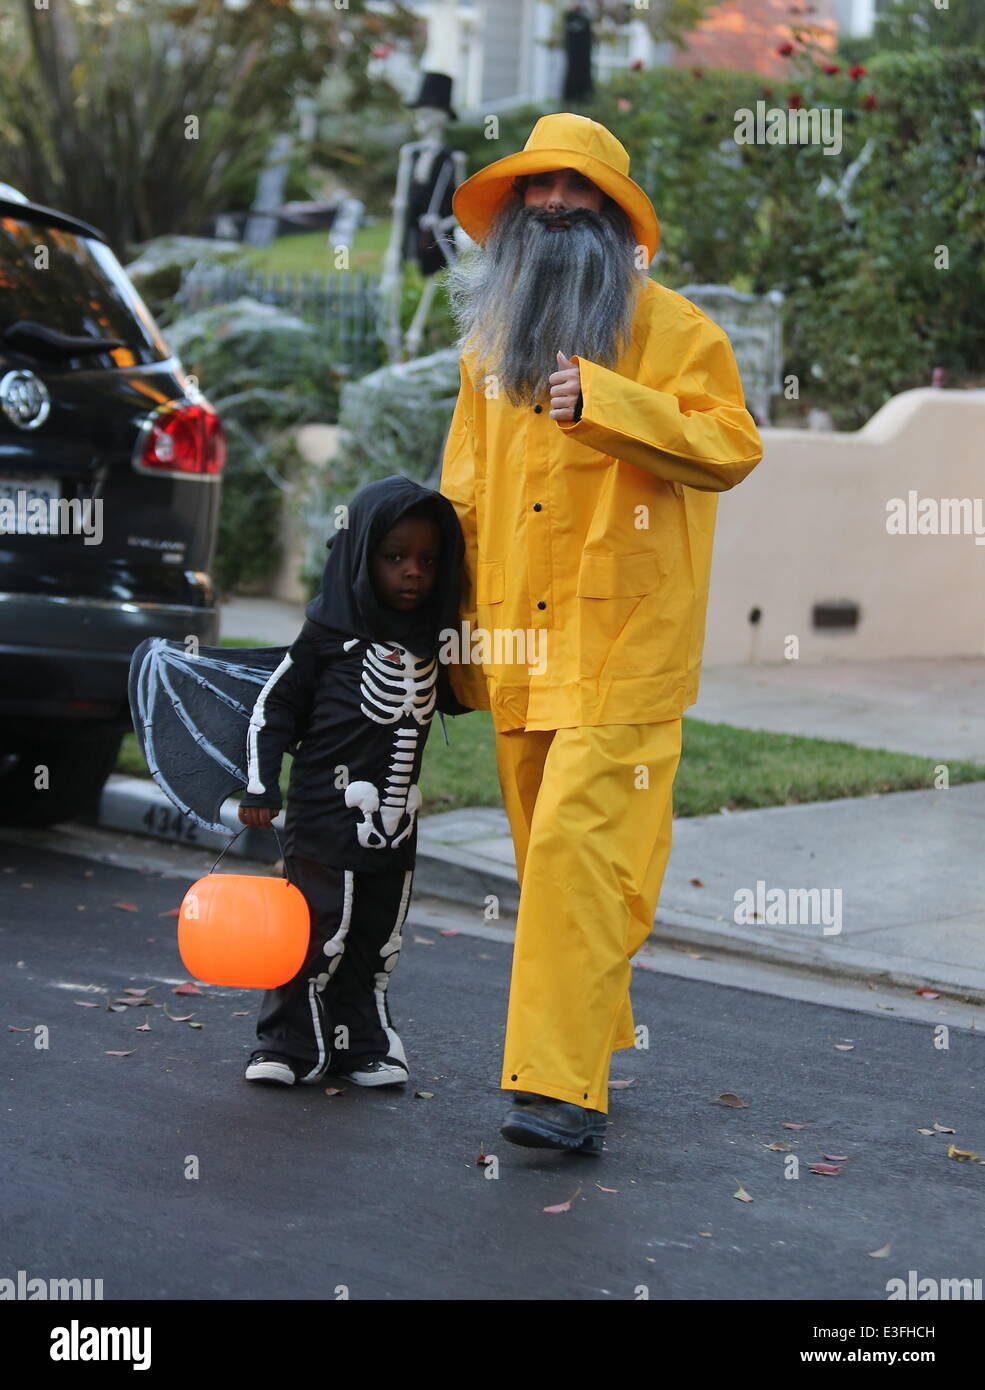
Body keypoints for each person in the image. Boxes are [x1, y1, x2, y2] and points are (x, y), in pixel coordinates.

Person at [441, 113, 764, 1154]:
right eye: (536, 191)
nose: (551, 207)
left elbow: (729, 445)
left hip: (625, 652)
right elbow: (466, 493)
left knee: (582, 856)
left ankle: (556, 1089)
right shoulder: (488, 346)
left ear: (615, 220)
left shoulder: (675, 332)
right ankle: (590, 1030)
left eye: (575, 193)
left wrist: (613, 402)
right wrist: (446, 636)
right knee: (549, 862)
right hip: (521, 656)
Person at [237, 475, 465, 1088]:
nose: (412, 573)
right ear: (360, 556)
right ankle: (284, 1044)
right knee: (314, 933)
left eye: (427, 560)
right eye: (394, 558)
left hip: (395, 827)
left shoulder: (433, 643)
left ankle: (361, 1041)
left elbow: (469, 694)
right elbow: (272, 708)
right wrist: (261, 787)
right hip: (322, 819)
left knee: (375, 940)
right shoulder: (327, 635)